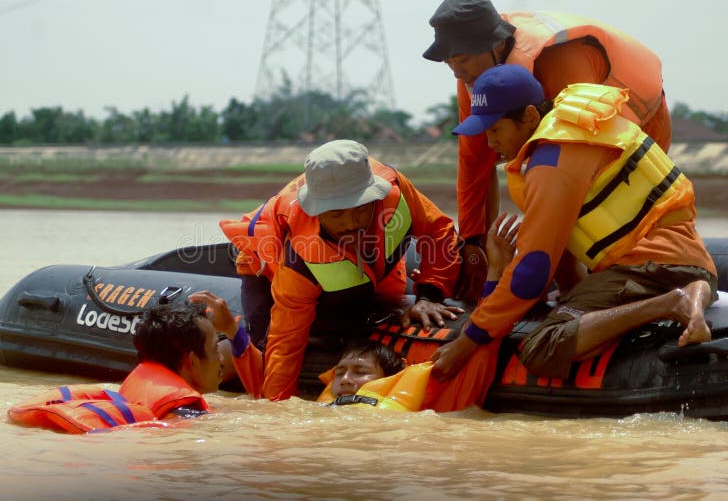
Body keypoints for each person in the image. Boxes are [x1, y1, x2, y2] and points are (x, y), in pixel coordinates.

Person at [430, 64, 717, 390]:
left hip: (652, 270)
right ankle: (689, 292)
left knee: (542, 346)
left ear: (528, 116)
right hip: (691, 261)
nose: (488, 141)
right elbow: (565, 248)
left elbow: (531, 274)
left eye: (495, 129)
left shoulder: (551, 162)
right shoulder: (583, 125)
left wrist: (466, 343)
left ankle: (671, 303)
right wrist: (571, 298)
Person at [422, 0, 672, 303]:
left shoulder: (560, 63)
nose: (457, 71)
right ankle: (571, 292)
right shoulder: (472, 81)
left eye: (462, 59)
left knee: (574, 201)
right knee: (542, 190)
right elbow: (474, 161)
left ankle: (611, 289)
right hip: (561, 133)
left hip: (629, 121)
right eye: (449, 62)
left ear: (496, 45)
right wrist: (474, 243)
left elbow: (578, 161)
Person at [220, 139, 463, 401]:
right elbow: (285, 344)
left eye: (359, 208)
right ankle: (222, 347)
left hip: (369, 261)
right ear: (318, 211)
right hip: (264, 267)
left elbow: (440, 232)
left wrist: (429, 295)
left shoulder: (394, 190)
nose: (351, 223)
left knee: (377, 308)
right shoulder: (302, 255)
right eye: (336, 214)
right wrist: (278, 413)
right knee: (265, 348)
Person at [317, 212, 521, 413]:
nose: (344, 380)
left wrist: (496, 269)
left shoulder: (448, 408)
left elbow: (488, 333)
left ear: (391, 378)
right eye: (340, 372)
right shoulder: (325, 408)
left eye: (361, 372)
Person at [8, 291, 263, 433]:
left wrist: (233, 330)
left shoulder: (143, 389)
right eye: (213, 349)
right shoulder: (187, 416)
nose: (222, 358)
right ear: (192, 361)